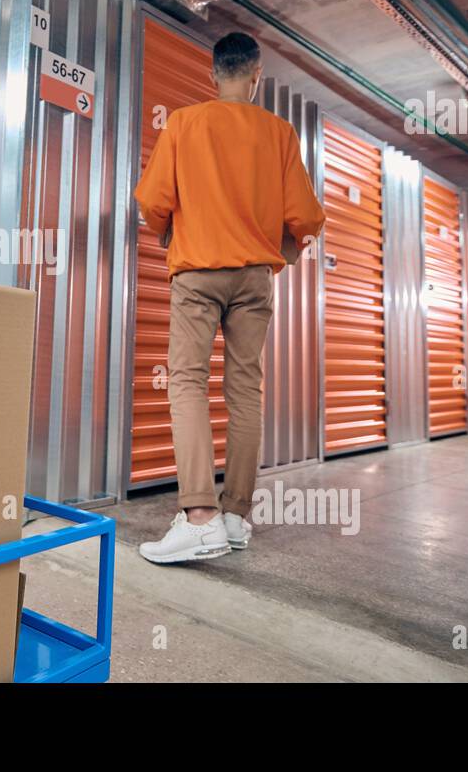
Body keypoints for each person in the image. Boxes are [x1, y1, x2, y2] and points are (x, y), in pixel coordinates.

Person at [133, 31, 326, 563]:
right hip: (254, 280)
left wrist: (172, 235)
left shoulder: (184, 124)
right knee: (246, 390)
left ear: (212, 75)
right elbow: (308, 217)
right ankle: (236, 516)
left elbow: (151, 202)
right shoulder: (279, 132)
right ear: (256, 77)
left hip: (198, 274)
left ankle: (199, 518)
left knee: (189, 383)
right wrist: (279, 253)